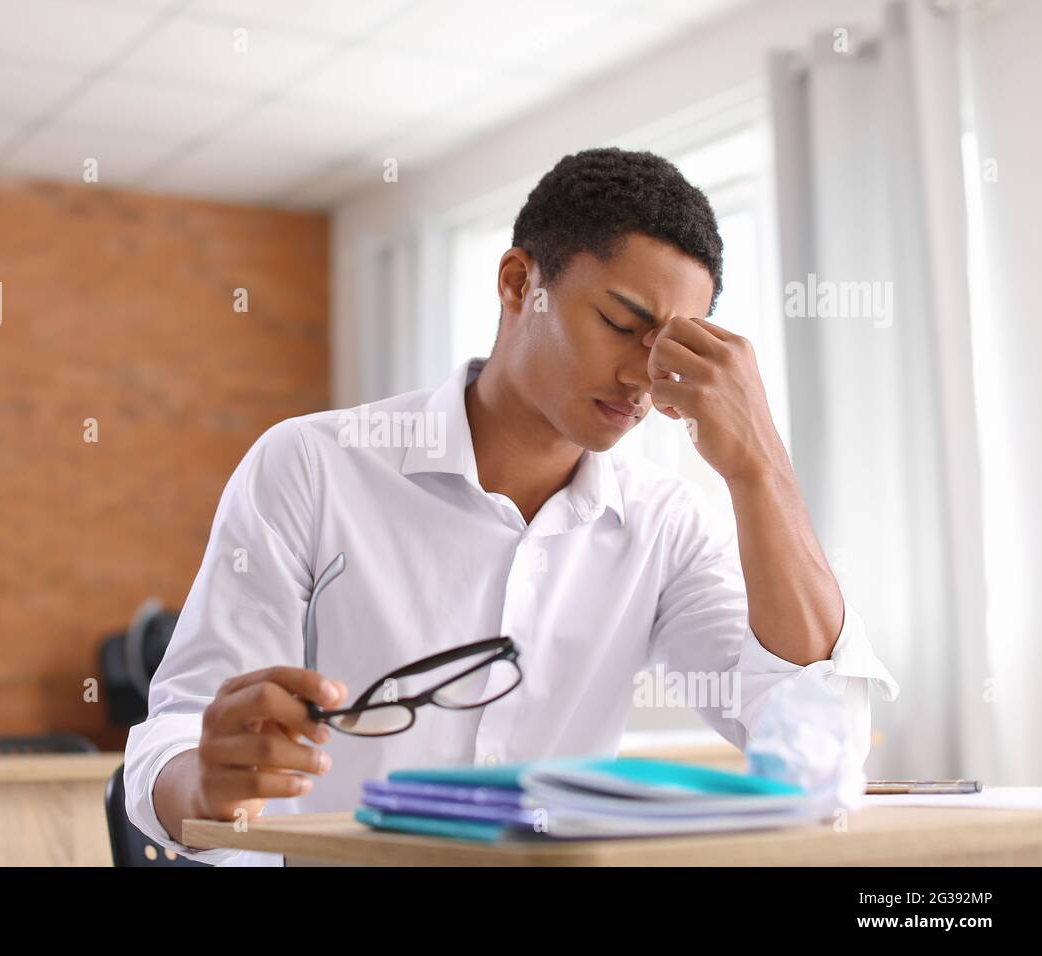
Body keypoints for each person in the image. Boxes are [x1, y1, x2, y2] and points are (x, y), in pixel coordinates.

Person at [125, 147, 899, 866]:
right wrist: (205, 783)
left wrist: (760, 467)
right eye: (621, 325)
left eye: (668, 348)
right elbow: (176, 732)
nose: (641, 378)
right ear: (517, 283)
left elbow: (812, 746)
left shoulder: (664, 524)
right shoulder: (311, 467)